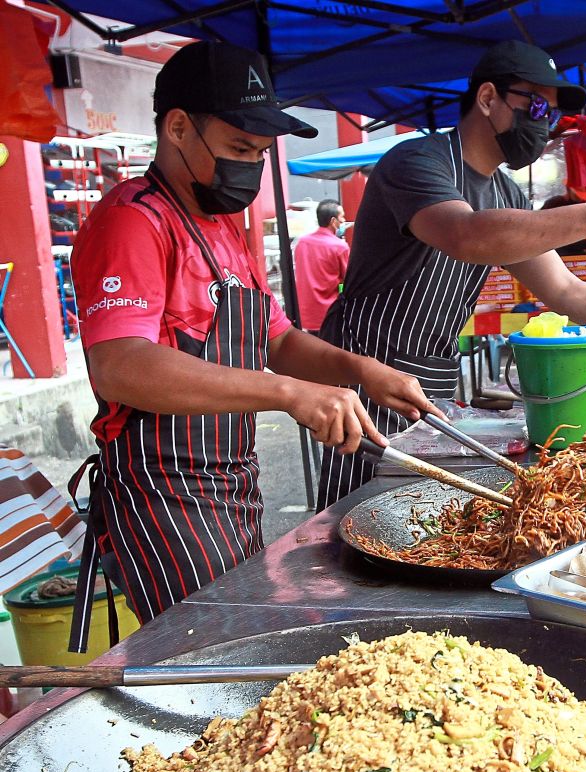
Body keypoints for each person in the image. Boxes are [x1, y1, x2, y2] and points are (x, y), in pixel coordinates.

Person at [68, 41, 441, 624]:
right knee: (205, 654)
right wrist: (289, 394)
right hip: (165, 494)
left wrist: (361, 369)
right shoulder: (132, 221)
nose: (252, 166)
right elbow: (120, 364)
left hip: (233, 483)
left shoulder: (219, 228)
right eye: (240, 147)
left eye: (261, 152)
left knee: (247, 633)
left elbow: (279, 340)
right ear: (178, 128)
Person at [318, 40, 586, 507]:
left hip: (434, 377)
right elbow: (465, 235)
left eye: (553, 114)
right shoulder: (417, 162)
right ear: (488, 98)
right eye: (538, 105)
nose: (545, 123)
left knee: (418, 511)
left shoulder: (505, 192)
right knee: (355, 513)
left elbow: (562, 288)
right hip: (364, 374)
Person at [293, 199, 350, 334]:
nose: (344, 220)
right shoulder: (339, 246)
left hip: (305, 313)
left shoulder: (302, 243)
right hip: (329, 312)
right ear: (333, 221)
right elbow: (348, 279)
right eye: (342, 216)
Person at [539, 185, 586, 255]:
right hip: (560, 252)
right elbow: (541, 228)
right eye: (579, 193)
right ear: (569, 189)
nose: (583, 199)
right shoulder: (554, 203)